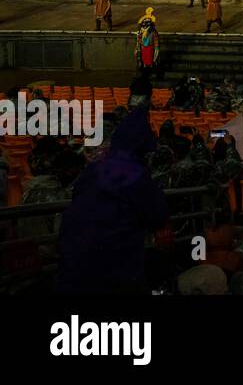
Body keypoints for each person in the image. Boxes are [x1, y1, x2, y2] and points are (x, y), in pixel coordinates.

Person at [56, 109, 169, 294]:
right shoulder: (137, 174)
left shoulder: (93, 169)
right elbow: (158, 216)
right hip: (112, 267)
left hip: (72, 263)